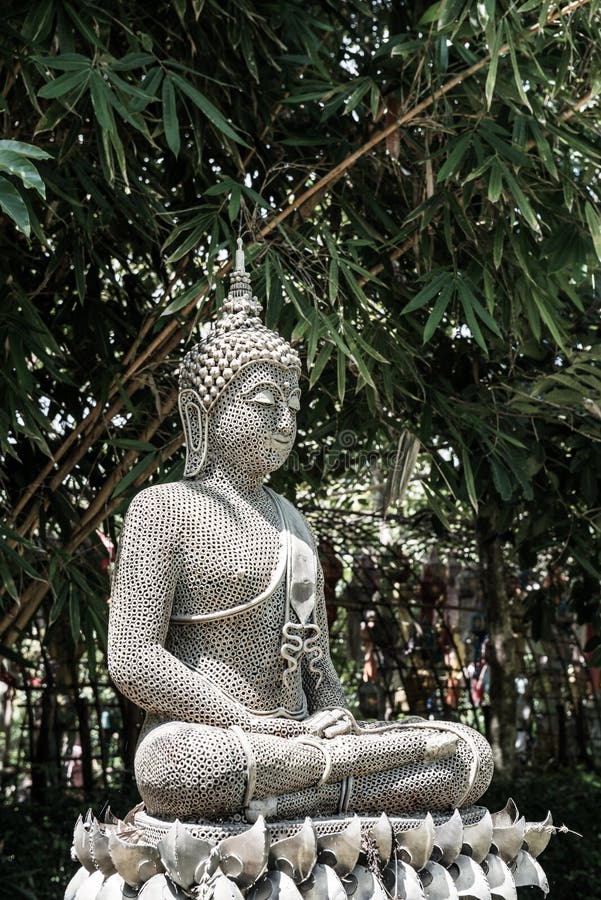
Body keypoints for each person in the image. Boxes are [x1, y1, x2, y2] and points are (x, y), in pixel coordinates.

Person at [107, 242, 492, 822]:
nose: (285, 421)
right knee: (180, 767)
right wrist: (241, 720)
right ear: (200, 413)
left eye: (293, 404)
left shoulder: (293, 521)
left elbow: (316, 661)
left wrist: (338, 715)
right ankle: (324, 785)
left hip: (301, 739)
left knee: (469, 757)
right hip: (213, 738)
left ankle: (295, 791)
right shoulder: (162, 508)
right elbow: (133, 657)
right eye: (266, 403)